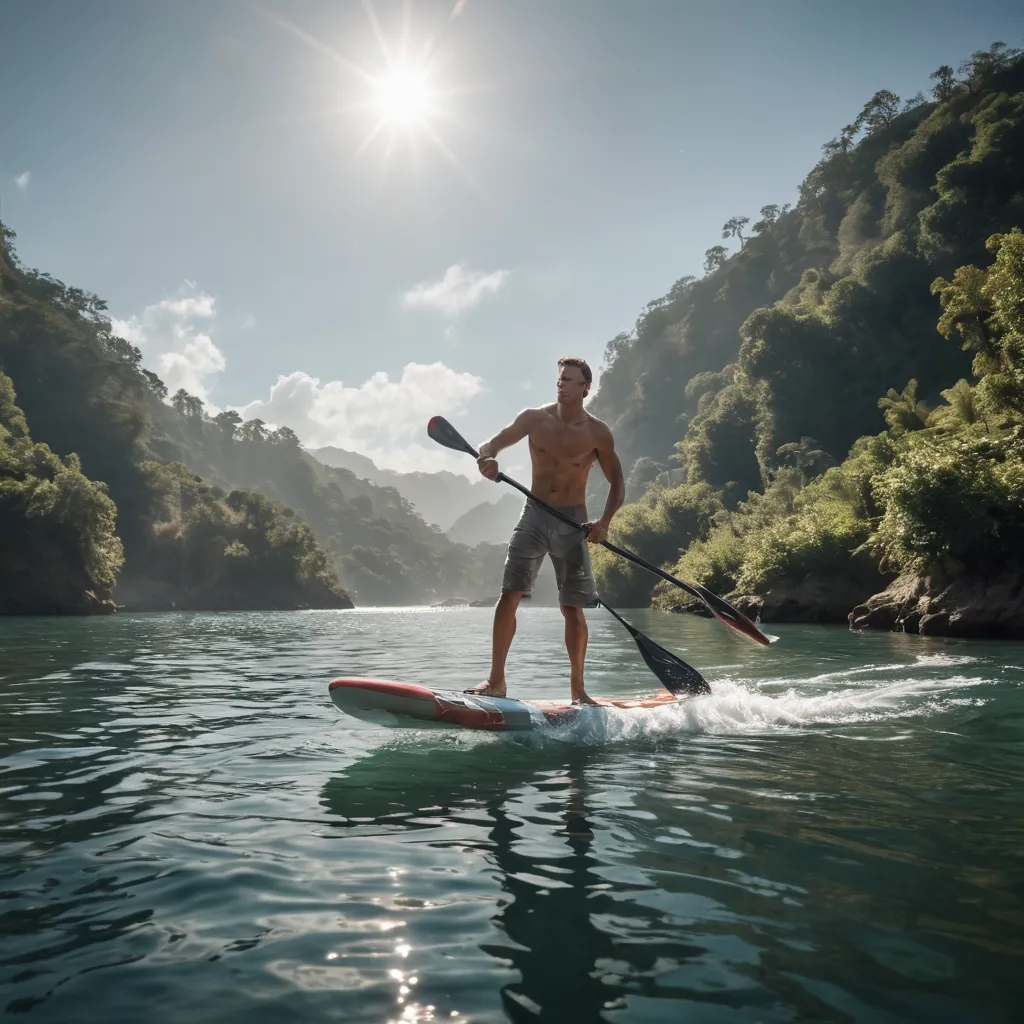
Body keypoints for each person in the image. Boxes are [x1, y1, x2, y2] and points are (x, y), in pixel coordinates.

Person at [466, 356, 625, 705]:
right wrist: (487, 460)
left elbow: (617, 484)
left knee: (572, 608)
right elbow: (491, 444)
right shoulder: (534, 418)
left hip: (573, 523)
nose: (561, 384)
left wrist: (604, 523)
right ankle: (496, 681)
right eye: (559, 379)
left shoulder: (598, 432)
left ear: (586, 387)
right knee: (509, 594)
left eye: (569, 380)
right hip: (534, 516)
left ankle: (579, 691)